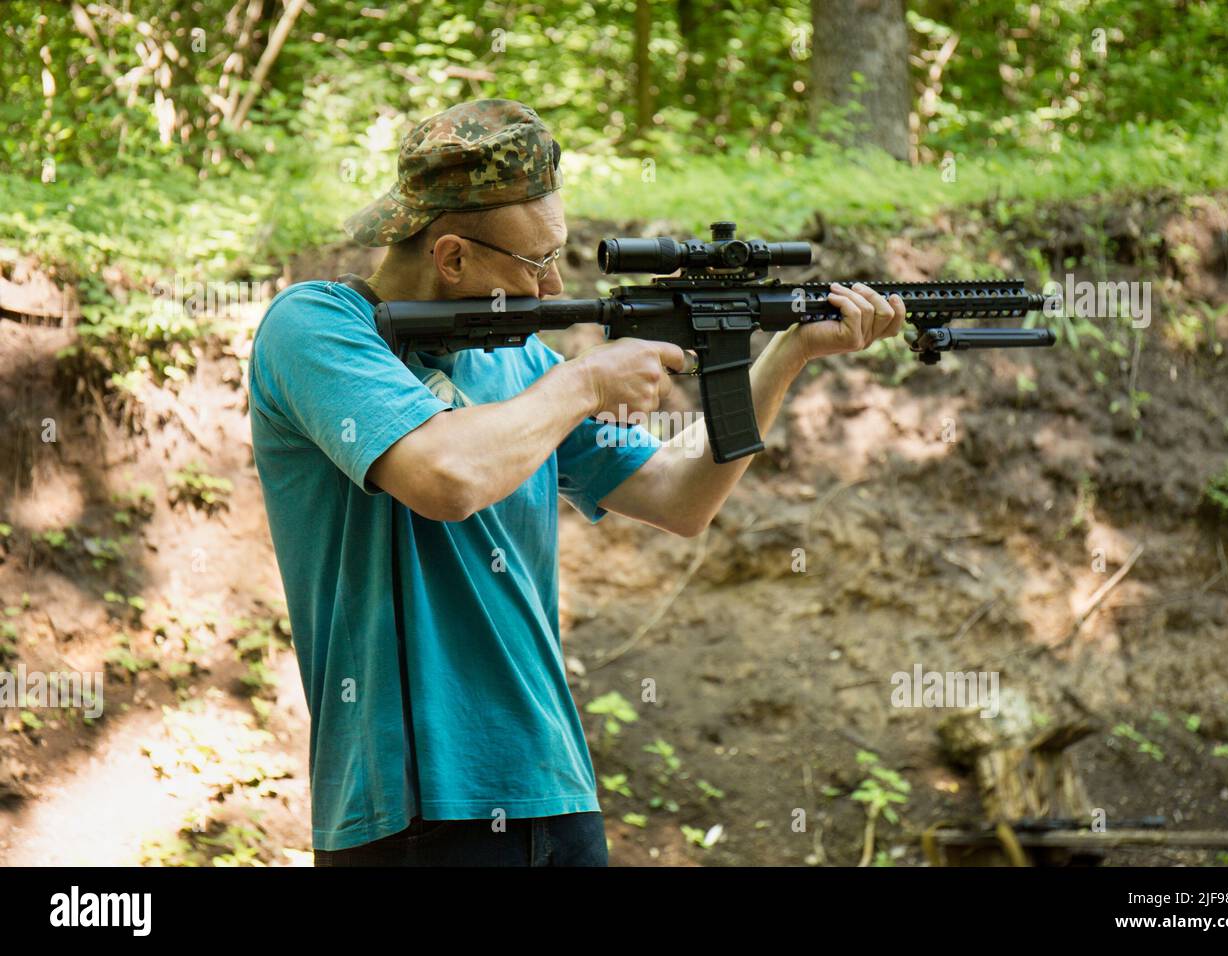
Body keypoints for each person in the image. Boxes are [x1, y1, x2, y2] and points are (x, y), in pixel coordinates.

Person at [247, 98, 905, 866]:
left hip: (553, 789)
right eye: (536, 262)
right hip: (413, 808)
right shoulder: (317, 328)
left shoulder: (519, 365)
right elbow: (445, 474)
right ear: (453, 257)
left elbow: (678, 496)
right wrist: (587, 382)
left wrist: (785, 354)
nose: (553, 283)